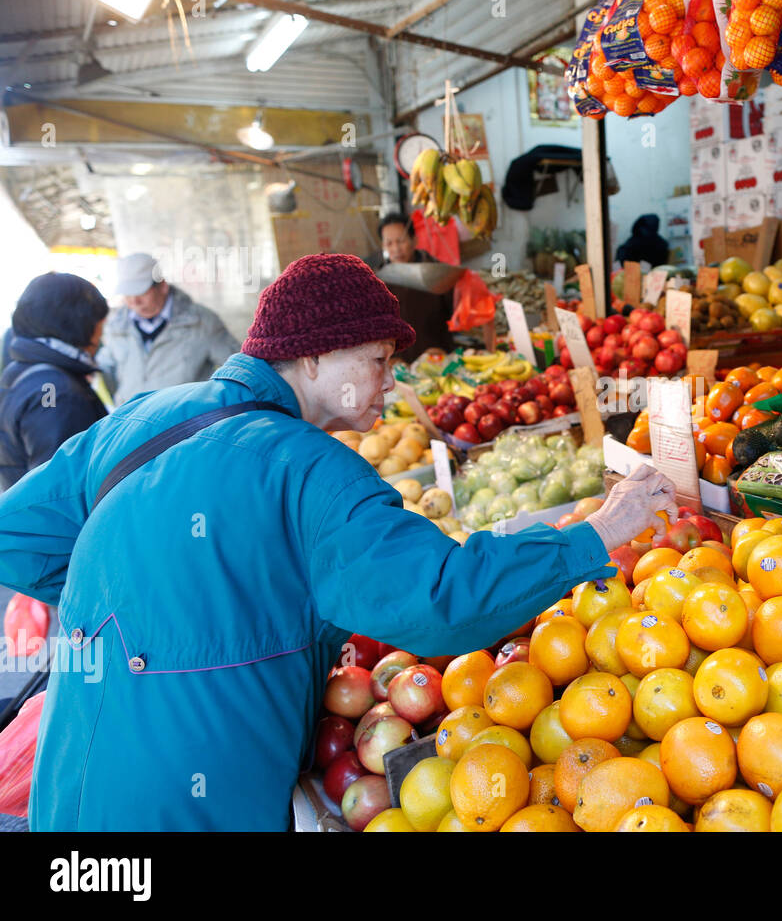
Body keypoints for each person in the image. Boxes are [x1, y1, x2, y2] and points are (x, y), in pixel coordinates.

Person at [0, 253, 676, 831]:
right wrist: (602, 531)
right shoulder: (307, 467)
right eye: (379, 358)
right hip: (196, 797)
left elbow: (17, 538)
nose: (392, 380)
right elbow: (442, 599)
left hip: (76, 784)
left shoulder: (140, 419)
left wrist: (149, 606)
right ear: (314, 354)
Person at [0, 273, 109, 490]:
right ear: (79, 322)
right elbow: (59, 491)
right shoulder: (55, 392)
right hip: (47, 523)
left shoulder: (23, 367)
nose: (101, 335)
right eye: (99, 323)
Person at [96, 252, 242, 405]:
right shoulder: (115, 326)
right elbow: (106, 370)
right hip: (132, 424)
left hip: (185, 424)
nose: (134, 301)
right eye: (128, 294)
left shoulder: (202, 322)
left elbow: (239, 367)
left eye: (140, 292)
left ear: (162, 286)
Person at [374, 212, 455, 358]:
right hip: (398, 366)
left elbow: (457, 316)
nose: (396, 249)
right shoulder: (377, 282)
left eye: (401, 241)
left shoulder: (437, 273)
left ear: (414, 240)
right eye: (389, 243)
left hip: (438, 359)